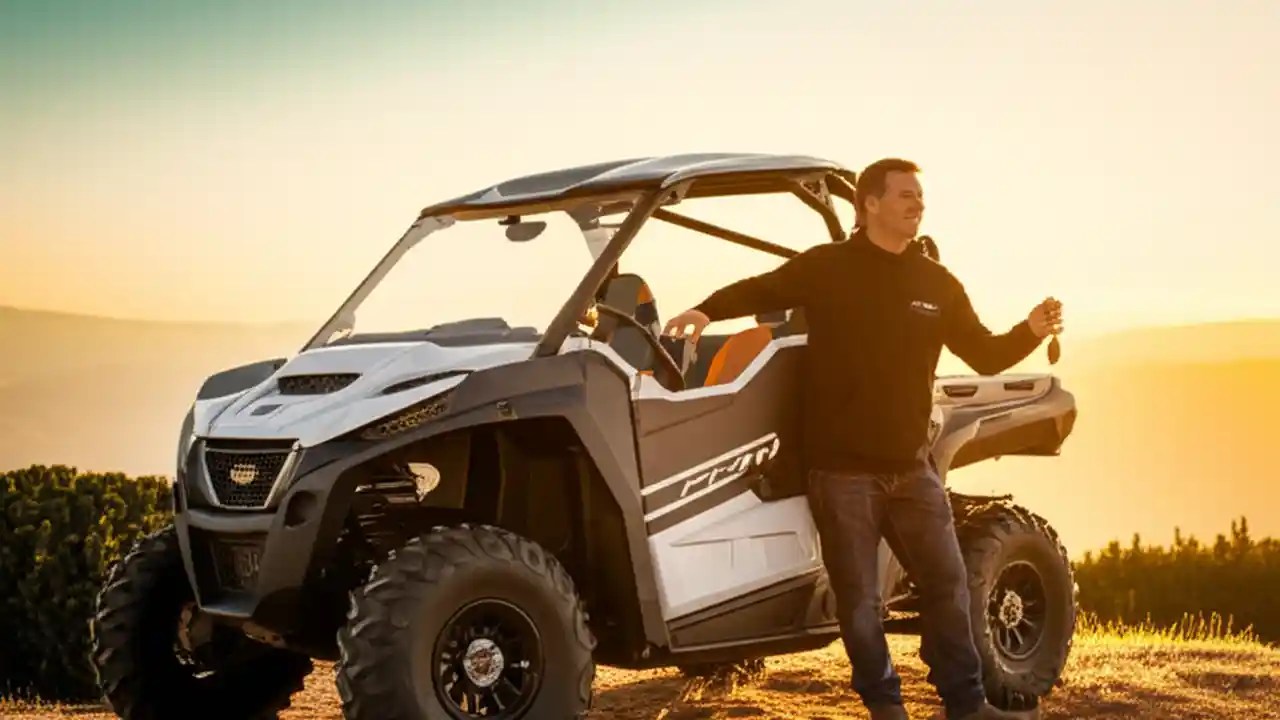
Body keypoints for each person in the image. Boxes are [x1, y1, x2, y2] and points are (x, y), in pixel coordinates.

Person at [662, 158, 1062, 720]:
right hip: (841, 474)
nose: (916, 204)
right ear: (869, 203)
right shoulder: (828, 267)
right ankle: (885, 709)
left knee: (948, 585)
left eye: (919, 196)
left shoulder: (938, 284)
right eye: (904, 195)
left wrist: (1030, 330)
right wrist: (705, 309)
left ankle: (967, 705)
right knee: (859, 604)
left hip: (911, 470)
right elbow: (763, 287)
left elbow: (985, 353)